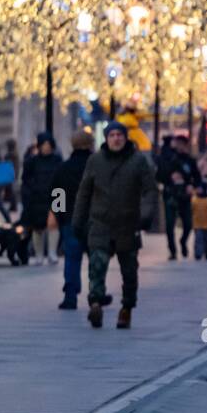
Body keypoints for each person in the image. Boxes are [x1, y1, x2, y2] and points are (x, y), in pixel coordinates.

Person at [72, 121, 155, 329]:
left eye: (119, 135)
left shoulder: (138, 161)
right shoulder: (95, 160)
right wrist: (76, 220)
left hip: (128, 225)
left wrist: (146, 214)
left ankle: (127, 307)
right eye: (112, 135)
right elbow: (84, 192)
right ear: (106, 139)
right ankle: (96, 303)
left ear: (125, 138)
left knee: (129, 271)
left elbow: (150, 190)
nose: (116, 139)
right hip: (100, 224)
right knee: (96, 266)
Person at [51, 130, 94, 309]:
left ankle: (70, 295)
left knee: (72, 258)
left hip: (70, 219)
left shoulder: (63, 168)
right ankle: (96, 293)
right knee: (96, 258)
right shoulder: (96, 166)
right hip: (94, 219)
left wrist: (60, 216)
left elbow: (57, 193)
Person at [156, 133, 200, 260]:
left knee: (188, 223)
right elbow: (159, 175)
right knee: (170, 224)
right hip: (170, 193)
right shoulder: (167, 159)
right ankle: (173, 251)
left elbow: (197, 177)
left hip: (185, 195)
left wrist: (191, 185)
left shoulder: (189, 160)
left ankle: (183, 241)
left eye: (182, 144)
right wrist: (170, 177)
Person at [21, 132, 62, 264]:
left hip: (56, 196)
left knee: (54, 225)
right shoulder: (31, 161)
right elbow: (25, 180)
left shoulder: (57, 160)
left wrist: (61, 200)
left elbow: (62, 179)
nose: (46, 147)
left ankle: (52, 253)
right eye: (44, 145)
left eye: (48, 145)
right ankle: (39, 255)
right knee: (37, 227)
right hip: (36, 197)